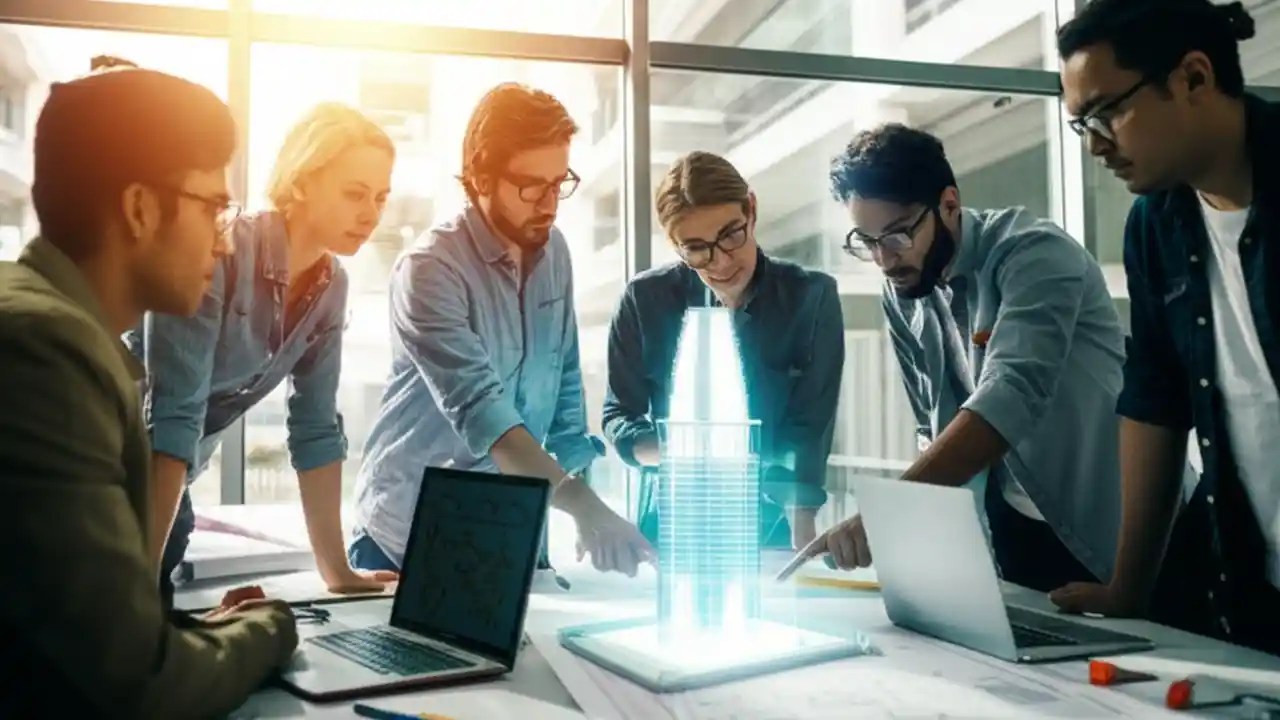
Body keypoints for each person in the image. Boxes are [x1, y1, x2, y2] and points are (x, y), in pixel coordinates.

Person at [0, 67, 296, 716]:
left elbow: (71, 634)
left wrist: (203, 633)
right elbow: (132, 685)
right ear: (139, 208)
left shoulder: (50, 326)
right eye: (214, 209)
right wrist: (271, 628)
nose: (224, 245)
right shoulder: (45, 354)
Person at [800, 123, 1126, 594]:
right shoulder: (903, 290)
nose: (884, 260)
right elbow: (931, 429)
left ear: (949, 204)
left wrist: (890, 510)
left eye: (896, 236)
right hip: (1014, 533)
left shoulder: (1033, 253)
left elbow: (1010, 394)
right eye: (867, 243)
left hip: (1119, 528)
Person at [350, 82, 653, 576]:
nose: (550, 202)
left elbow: (566, 387)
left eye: (559, 183)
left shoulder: (555, 252)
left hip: (511, 532)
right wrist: (585, 507)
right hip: (409, 540)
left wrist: (581, 494)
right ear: (480, 177)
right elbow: (486, 417)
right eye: (532, 185)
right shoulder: (429, 270)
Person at [1053, 0, 1280, 656]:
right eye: (1080, 126)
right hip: (1248, 581)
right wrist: (1129, 586)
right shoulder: (1156, 224)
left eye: (1105, 113)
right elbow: (1156, 399)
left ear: (1194, 77)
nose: (1095, 145)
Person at [134, 102, 398, 602]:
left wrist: (338, 571)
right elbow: (173, 417)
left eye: (381, 198)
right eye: (354, 194)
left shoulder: (330, 287)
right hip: (103, 464)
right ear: (300, 182)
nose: (372, 214)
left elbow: (316, 426)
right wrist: (135, 591)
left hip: (171, 484)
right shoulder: (220, 250)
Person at [602, 151, 844, 551]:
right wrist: (677, 455)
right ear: (675, 246)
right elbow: (619, 413)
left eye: (731, 235)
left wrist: (802, 524)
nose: (721, 262)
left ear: (751, 209)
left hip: (771, 524)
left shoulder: (811, 296)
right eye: (696, 249)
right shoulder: (645, 299)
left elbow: (810, 424)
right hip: (670, 522)